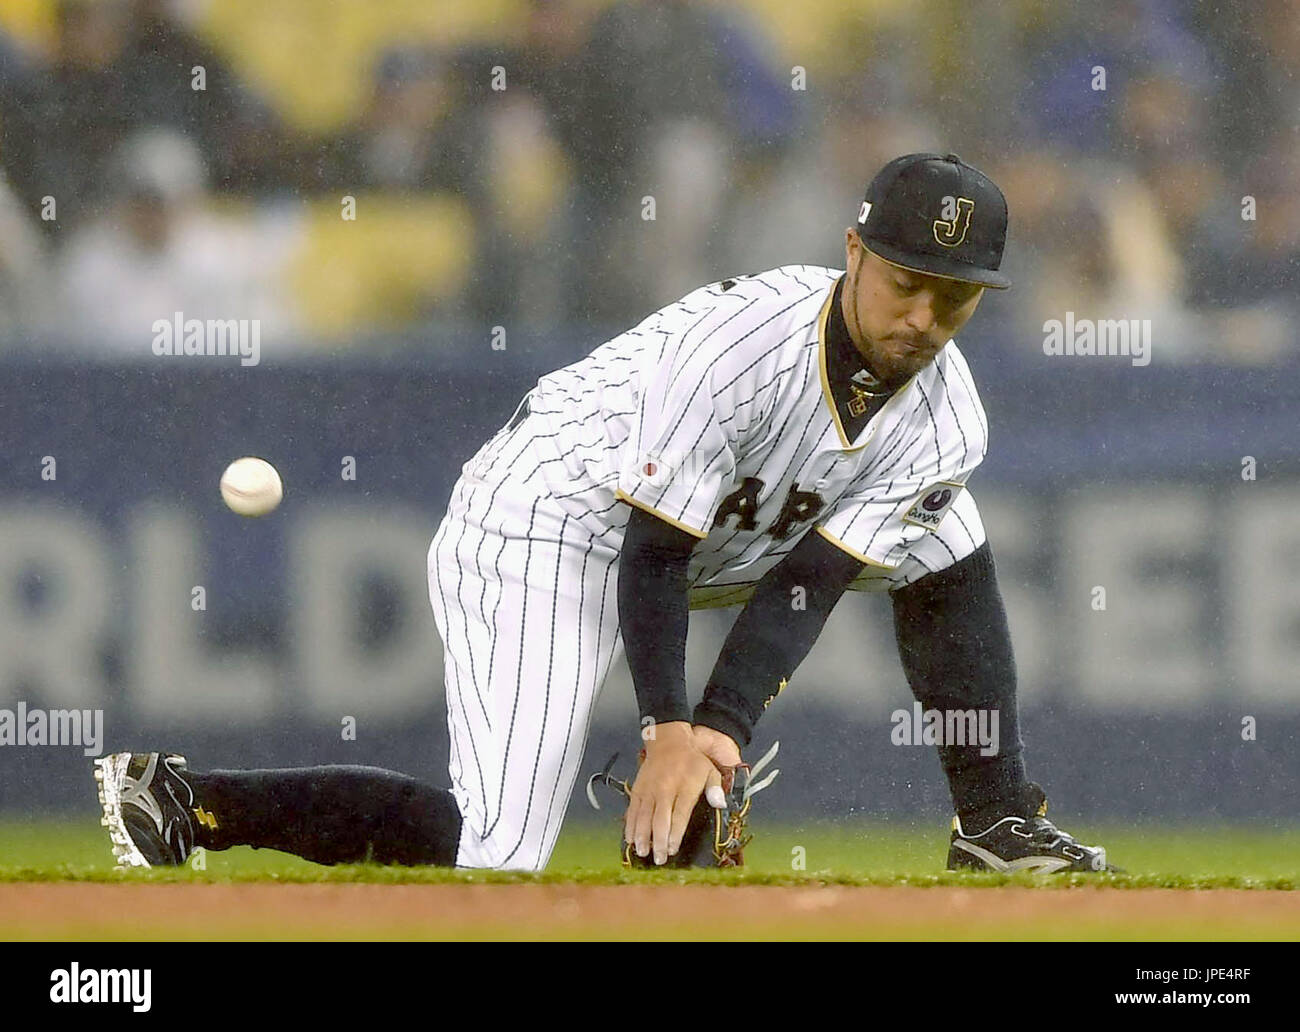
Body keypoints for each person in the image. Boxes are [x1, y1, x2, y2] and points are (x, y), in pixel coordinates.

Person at [94, 153, 1112, 875]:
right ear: (852, 250)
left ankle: (994, 820)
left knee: (945, 521)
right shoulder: (736, 349)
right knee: (500, 857)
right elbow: (655, 548)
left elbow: (810, 583)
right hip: (554, 517)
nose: (923, 320)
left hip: (736, 538)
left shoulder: (947, 411)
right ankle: (193, 801)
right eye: (905, 283)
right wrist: (667, 723)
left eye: (955, 296)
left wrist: (715, 729)